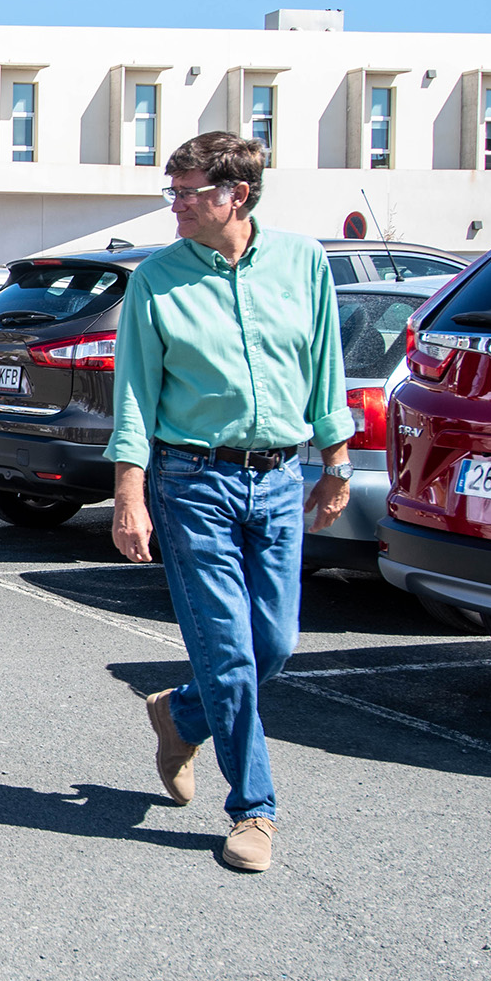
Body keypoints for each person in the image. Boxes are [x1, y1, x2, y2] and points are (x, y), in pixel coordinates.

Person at [110, 131, 352, 874]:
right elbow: (134, 394)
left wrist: (336, 460)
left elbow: (325, 363)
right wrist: (128, 494)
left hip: (279, 478)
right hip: (192, 482)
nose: (176, 206)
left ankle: (181, 713)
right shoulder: (156, 280)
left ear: (236, 194)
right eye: (172, 191)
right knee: (230, 653)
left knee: (273, 644)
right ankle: (254, 808)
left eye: (188, 192)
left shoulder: (303, 263)